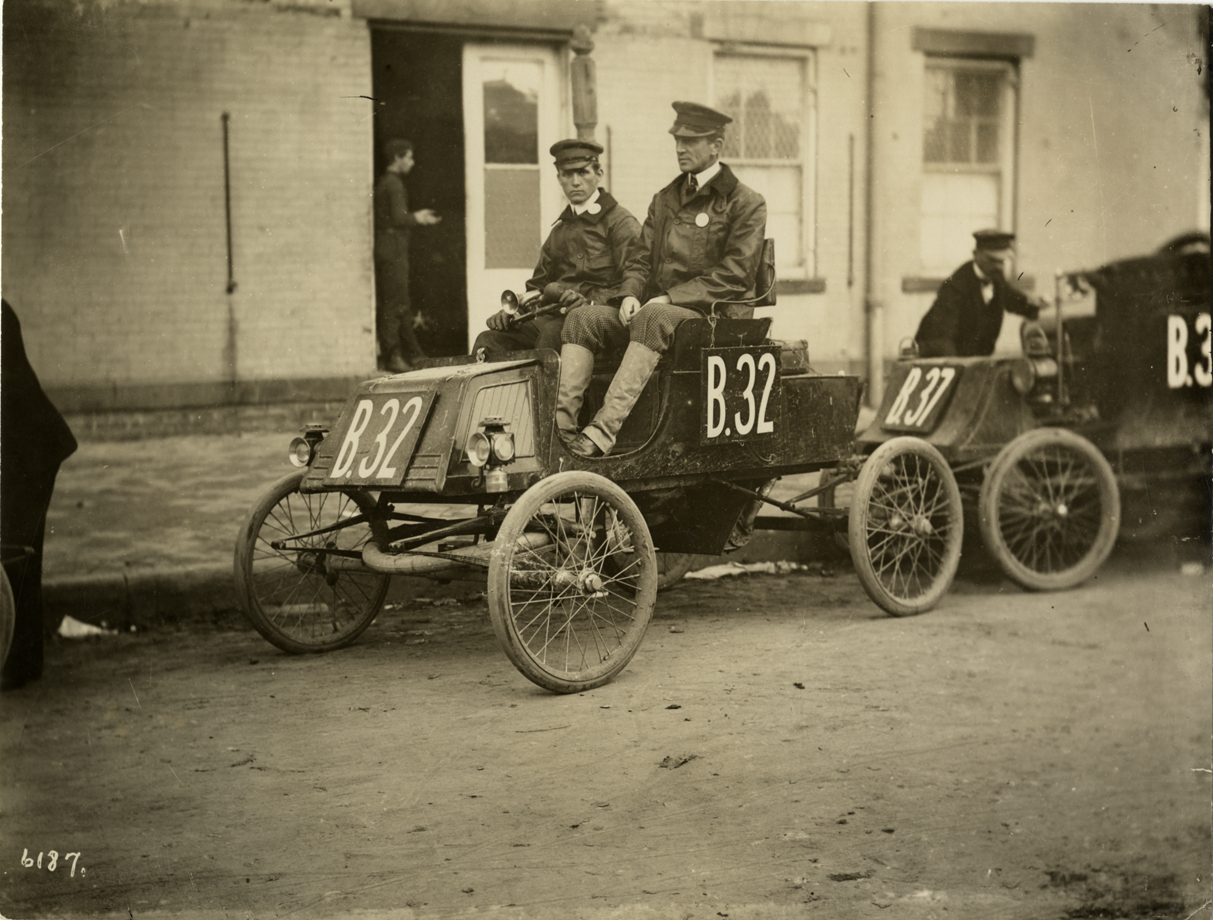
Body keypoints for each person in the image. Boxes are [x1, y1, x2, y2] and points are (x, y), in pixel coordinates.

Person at [558, 101, 767, 458]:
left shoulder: (745, 202)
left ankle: (600, 435)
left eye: (691, 141)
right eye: (677, 141)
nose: (680, 148)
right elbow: (640, 259)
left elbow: (736, 274)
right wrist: (630, 295)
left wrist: (669, 299)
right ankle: (561, 431)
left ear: (716, 145)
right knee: (582, 319)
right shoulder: (665, 199)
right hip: (657, 313)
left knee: (654, 318)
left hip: (714, 317)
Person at [473, 139, 642, 361]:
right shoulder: (560, 231)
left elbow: (637, 276)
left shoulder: (620, 222)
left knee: (552, 338)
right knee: (490, 340)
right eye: (566, 174)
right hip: (558, 317)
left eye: (582, 173)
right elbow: (537, 287)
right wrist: (512, 313)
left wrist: (591, 302)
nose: (575, 182)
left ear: (599, 173)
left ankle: (545, 397)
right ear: (558, 178)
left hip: (603, 316)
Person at [2, 301, 78, 691]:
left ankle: (19, 663)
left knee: (15, 550)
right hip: (18, 448)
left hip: (30, 450)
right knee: (16, 548)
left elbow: (8, 389)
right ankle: (22, 660)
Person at [914, 229, 1047, 358]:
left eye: (1002, 261)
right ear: (976, 254)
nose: (999, 267)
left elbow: (1011, 298)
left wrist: (1036, 306)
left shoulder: (995, 277)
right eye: (993, 260)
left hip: (975, 359)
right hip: (936, 358)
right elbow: (943, 340)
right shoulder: (955, 287)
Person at [374, 138, 442, 373]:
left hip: (392, 248)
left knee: (400, 302)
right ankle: (393, 356)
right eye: (409, 157)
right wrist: (419, 218)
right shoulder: (393, 184)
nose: (412, 163)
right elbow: (399, 218)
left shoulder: (388, 182)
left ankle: (414, 355)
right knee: (395, 304)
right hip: (392, 250)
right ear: (397, 158)